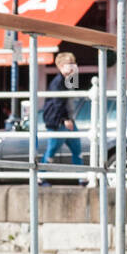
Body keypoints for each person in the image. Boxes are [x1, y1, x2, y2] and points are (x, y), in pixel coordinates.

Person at [40, 50, 83, 182]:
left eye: (73, 63)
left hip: (68, 121)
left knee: (77, 148)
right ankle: (40, 176)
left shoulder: (68, 79)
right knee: (52, 150)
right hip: (59, 122)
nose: (73, 66)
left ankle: (81, 178)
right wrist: (65, 119)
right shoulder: (57, 82)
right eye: (69, 64)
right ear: (60, 66)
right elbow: (58, 102)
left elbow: (70, 99)